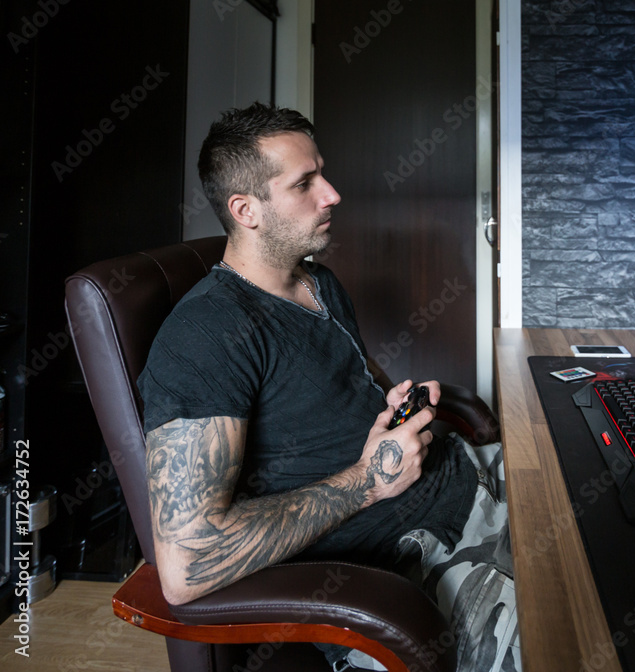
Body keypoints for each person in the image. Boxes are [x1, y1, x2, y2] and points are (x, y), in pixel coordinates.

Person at [137, 103, 519, 671]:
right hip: (416, 557)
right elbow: (187, 564)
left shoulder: (318, 281)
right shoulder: (205, 337)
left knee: (612, 497)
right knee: (578, 635)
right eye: (305, 184)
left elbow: (350, 385)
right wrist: (369, 480)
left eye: (324, 173)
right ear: (246, 210)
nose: (333, 194)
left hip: (470, 475)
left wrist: (392, 405)